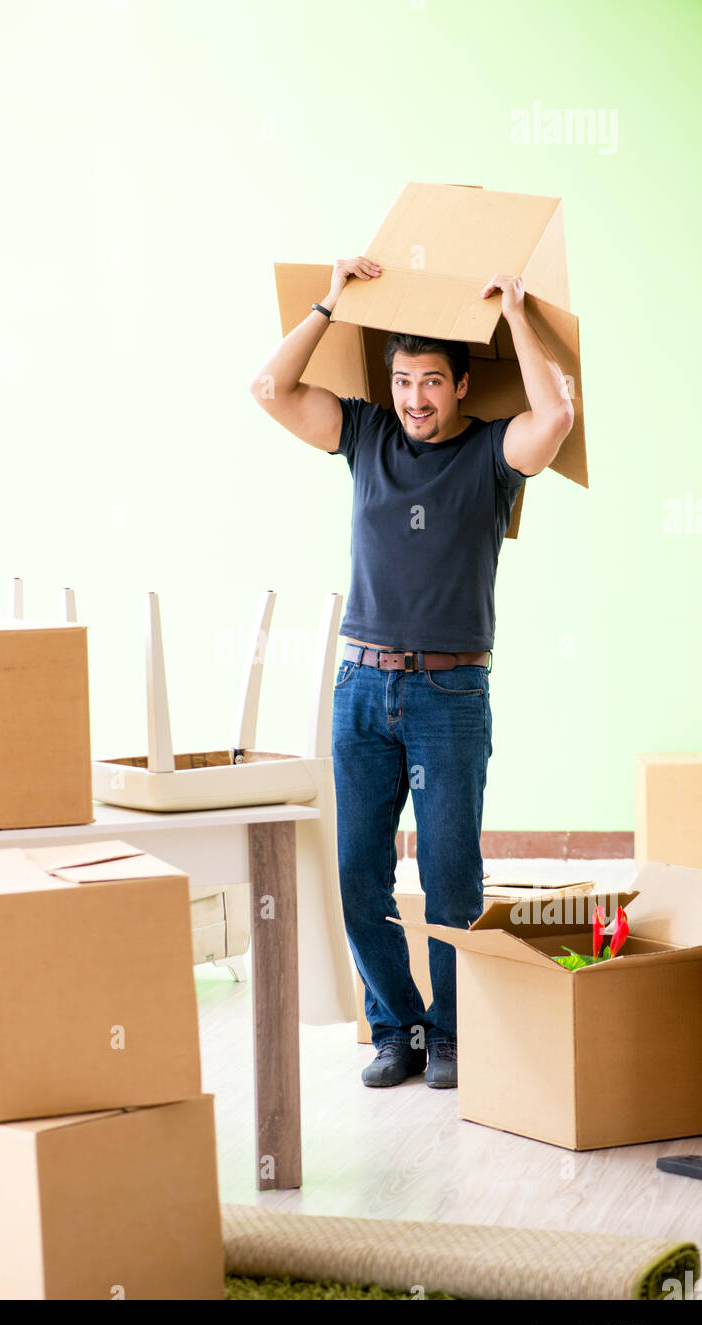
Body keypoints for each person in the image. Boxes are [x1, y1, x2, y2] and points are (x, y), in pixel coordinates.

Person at [248, 256, 573, 1090]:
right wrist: (330, 301)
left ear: (462, 385)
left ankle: (456, 1035)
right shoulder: (364, 434)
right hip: (360, 686)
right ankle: (396, 1029)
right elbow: (269, 388)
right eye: (401, 381)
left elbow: (556, 413)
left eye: (431, 381)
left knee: (448, 876)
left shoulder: (494, 455)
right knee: (358, 870)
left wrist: (514, 314)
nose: (414, 399)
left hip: (448, 695)